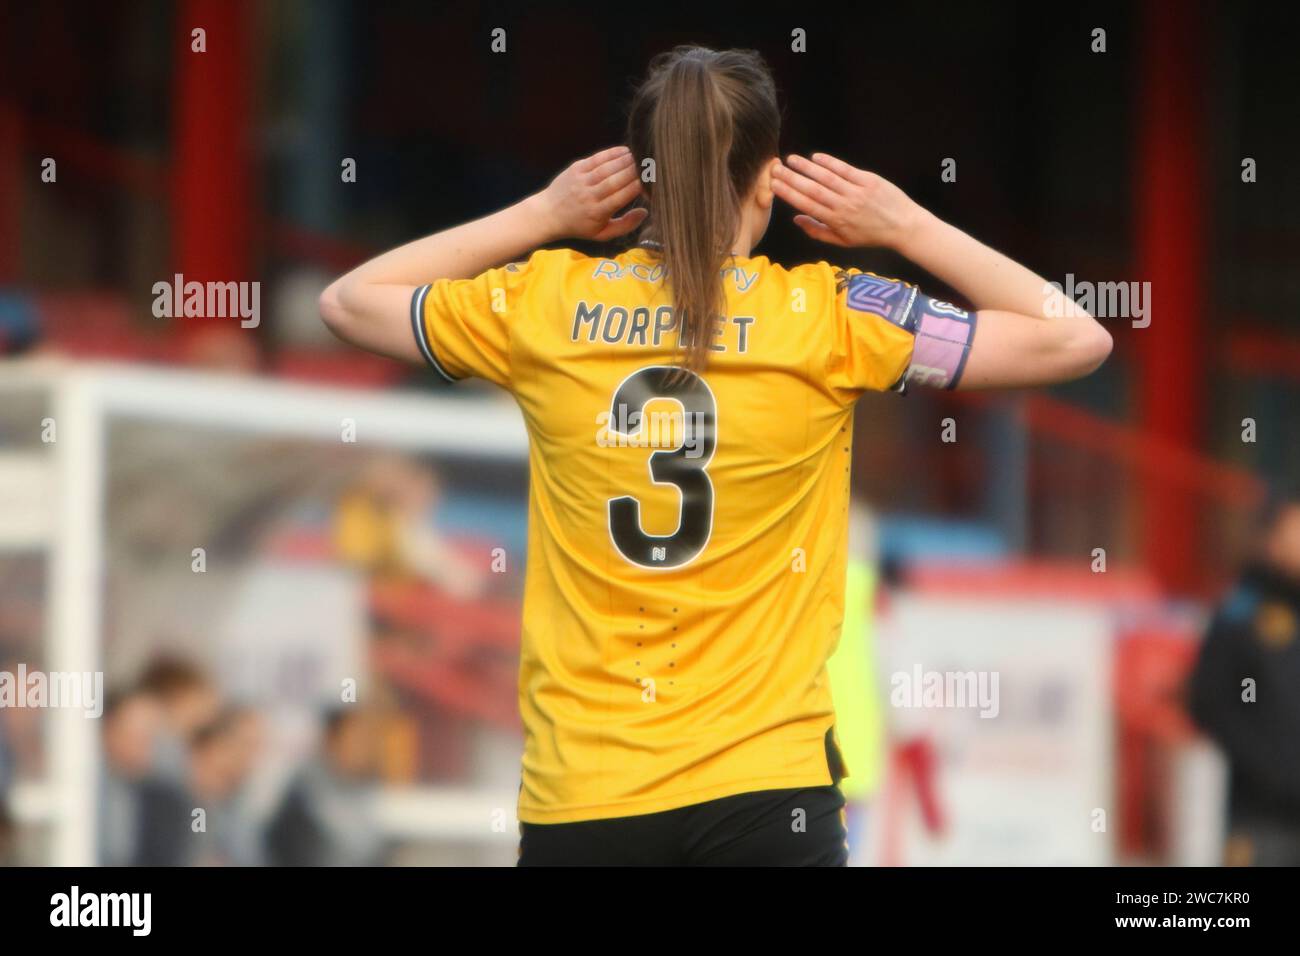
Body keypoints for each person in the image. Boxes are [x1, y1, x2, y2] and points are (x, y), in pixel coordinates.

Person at [319, 46, 1111, 866]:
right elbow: (1074, 338)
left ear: (638, 178)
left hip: (585, 795)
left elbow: (348, 302)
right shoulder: (827, 317)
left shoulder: (544, 303)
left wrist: (542, 213)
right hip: (766, 793)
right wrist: (906, 225)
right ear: (767, 177)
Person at [1189, 488, 1300, 866]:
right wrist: (1276, 769)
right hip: (1261, 819)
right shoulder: (1241, 614)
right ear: (1272, 538)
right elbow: (1208, 701)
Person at [265, 708, 384, 867]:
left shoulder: (367, 789)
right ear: (332, 740)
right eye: (356, 740)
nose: (364, 749)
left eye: (368, 741)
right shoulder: (304, 792)